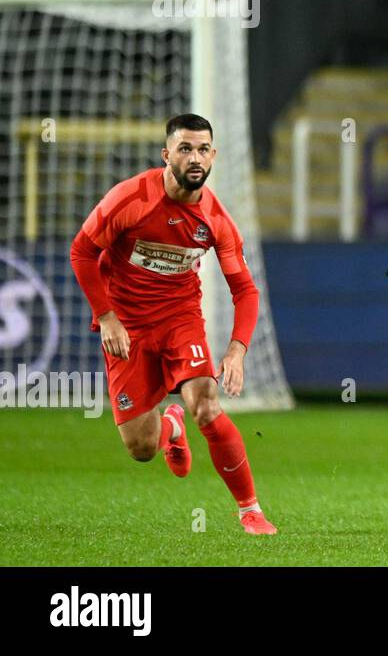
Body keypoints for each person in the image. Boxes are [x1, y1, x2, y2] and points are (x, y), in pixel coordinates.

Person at [69, 113, 277, 535]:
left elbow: (245, 290)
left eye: (203, 149)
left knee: (206, 403)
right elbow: (82, 252)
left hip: (181, 319)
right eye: (185, 149)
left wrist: (236, 350)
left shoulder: (216, 220)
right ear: (167, 155)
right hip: (125, 324)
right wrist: (106, 316)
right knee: (141, 448)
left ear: (213, 155)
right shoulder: (130, 199)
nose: (195, 158)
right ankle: (171, 425)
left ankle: (250, 510)